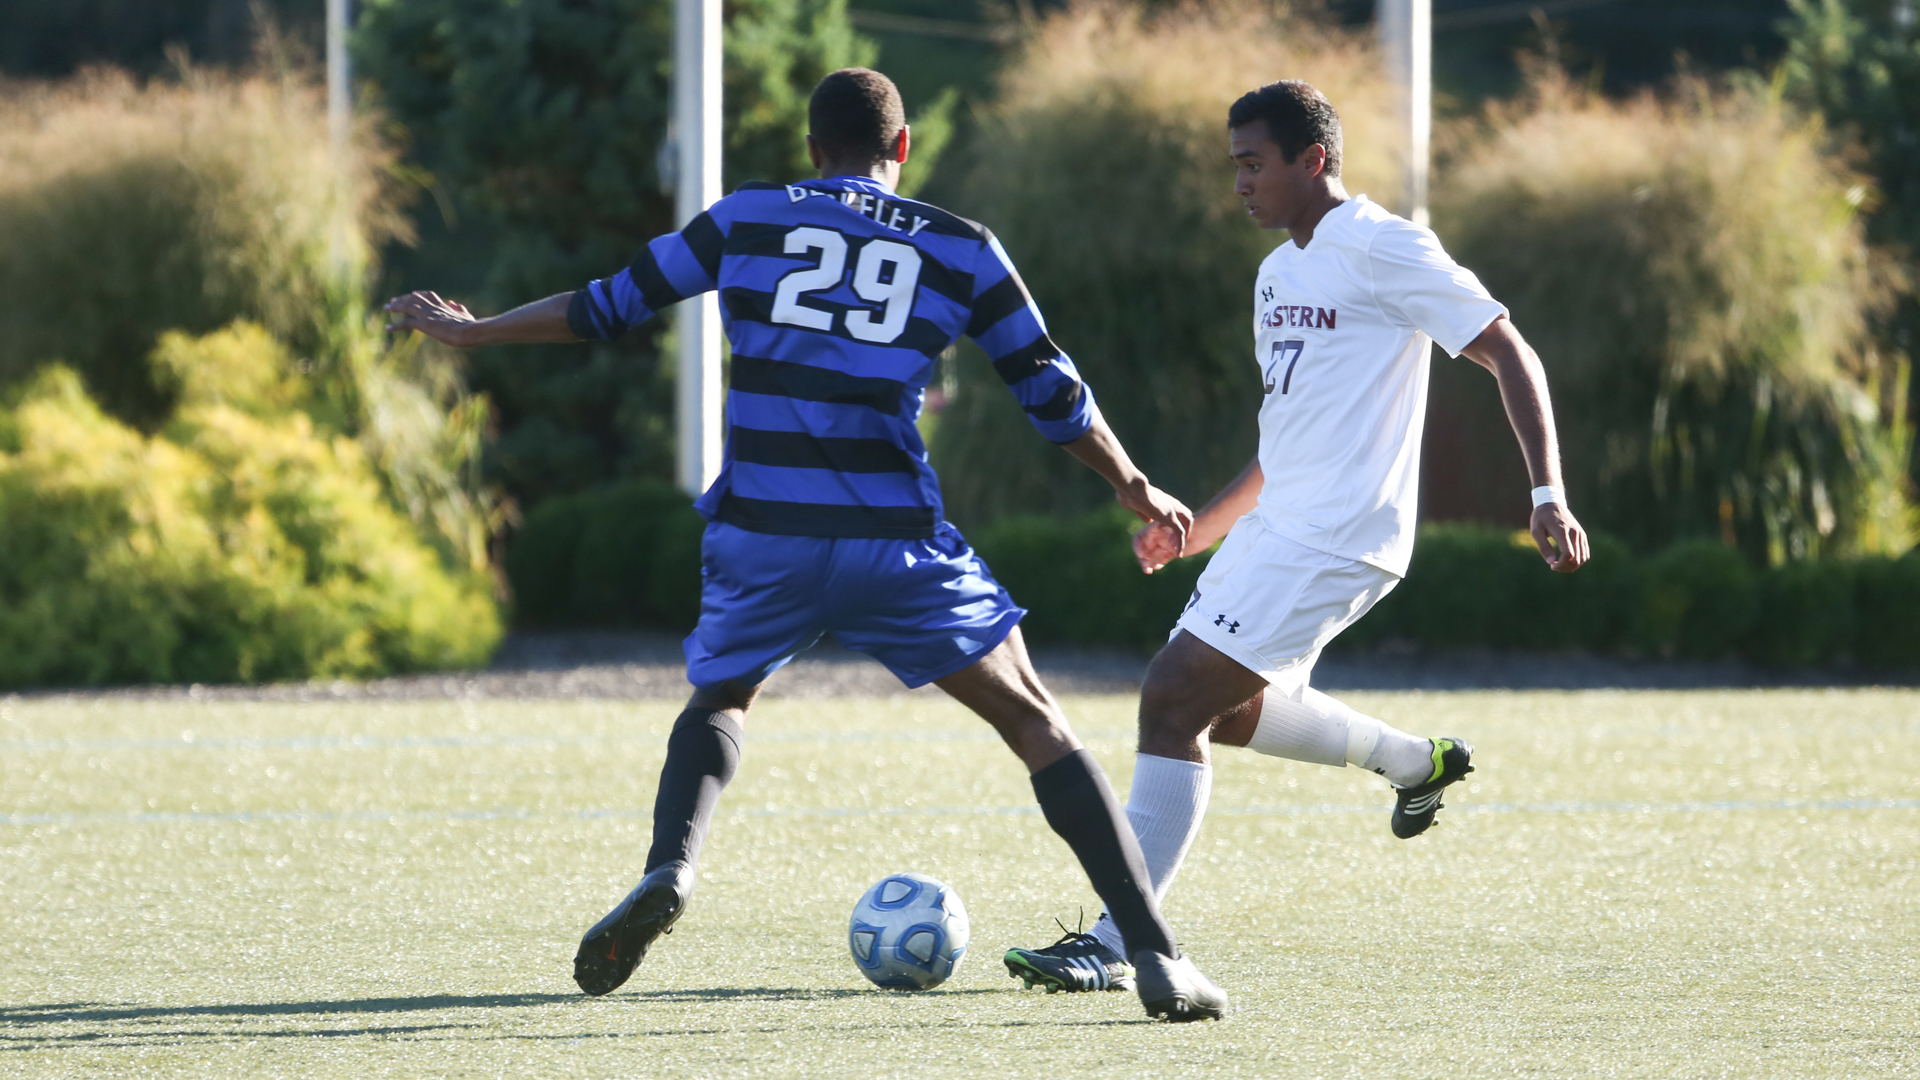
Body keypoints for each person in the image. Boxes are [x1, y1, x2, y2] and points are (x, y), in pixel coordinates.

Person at [384, 68, 1227, 1022]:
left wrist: (477, 332)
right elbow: (1049, 389)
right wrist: (1132, 484)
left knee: (722, 697)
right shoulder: (961, 246)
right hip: (893, 543)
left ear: (813, 148)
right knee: (1036, 724)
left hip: (763, 534)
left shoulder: (747, 217)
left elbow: (608, 304)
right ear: (901, 147)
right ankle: (1155, 956)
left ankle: (672, 869)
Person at [1001, 79, 1590, 991]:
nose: (1239, 183)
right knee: (1226, 710)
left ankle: (1121, 944)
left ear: (1313, 160)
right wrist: (1200, 531)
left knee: (1172, 697)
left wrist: (1547, 491)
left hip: (1342, 533)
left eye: (1253, 164)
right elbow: (1283, 444)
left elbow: (1508, 348)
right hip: (1280, 527)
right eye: (1234, 164)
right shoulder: (1276, 274)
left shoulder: (1385, 245)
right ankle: (1414, 762)